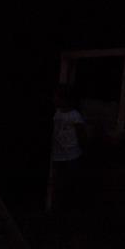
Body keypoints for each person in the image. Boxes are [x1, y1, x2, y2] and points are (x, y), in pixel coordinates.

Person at [48, 84, 88, 214]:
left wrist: (82, 149)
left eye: (57, 97)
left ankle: (69, 210)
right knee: (58, 184)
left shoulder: (75, 116)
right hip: (59, 155)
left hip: (72, 155)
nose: (54, 99)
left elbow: (81, 135)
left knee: (69, 184)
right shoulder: (57, 113)